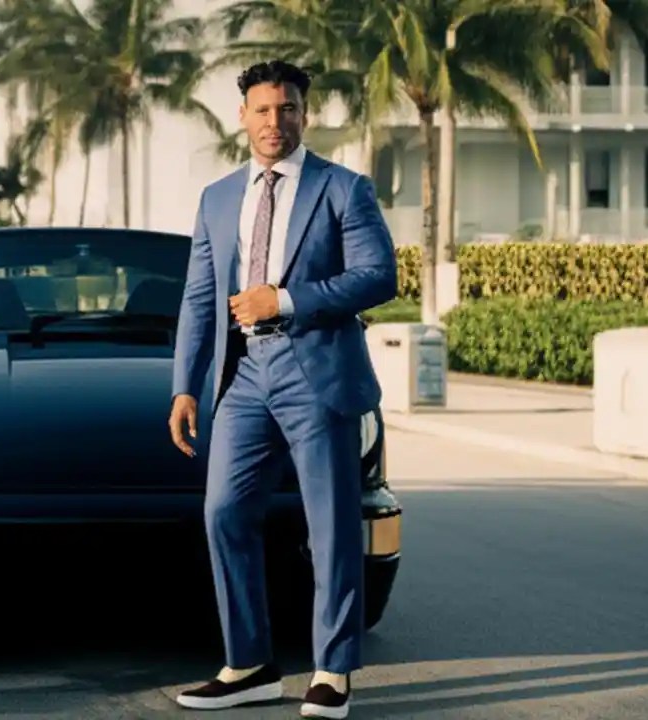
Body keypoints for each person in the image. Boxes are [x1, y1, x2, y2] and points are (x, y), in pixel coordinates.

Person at [167, 60, 396, 719]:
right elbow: (201, 296)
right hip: (243, 376)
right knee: (225, 512)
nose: (276, 121)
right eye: (263, 110)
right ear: (242, 116)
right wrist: (185, 386)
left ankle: (333, 670)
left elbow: (379, 275)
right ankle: (249, 665)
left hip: (316, 372)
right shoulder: (217, 198)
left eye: (288, 109)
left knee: (330, 526)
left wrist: (286, 299)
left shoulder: (343, 188)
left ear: (305, 113)